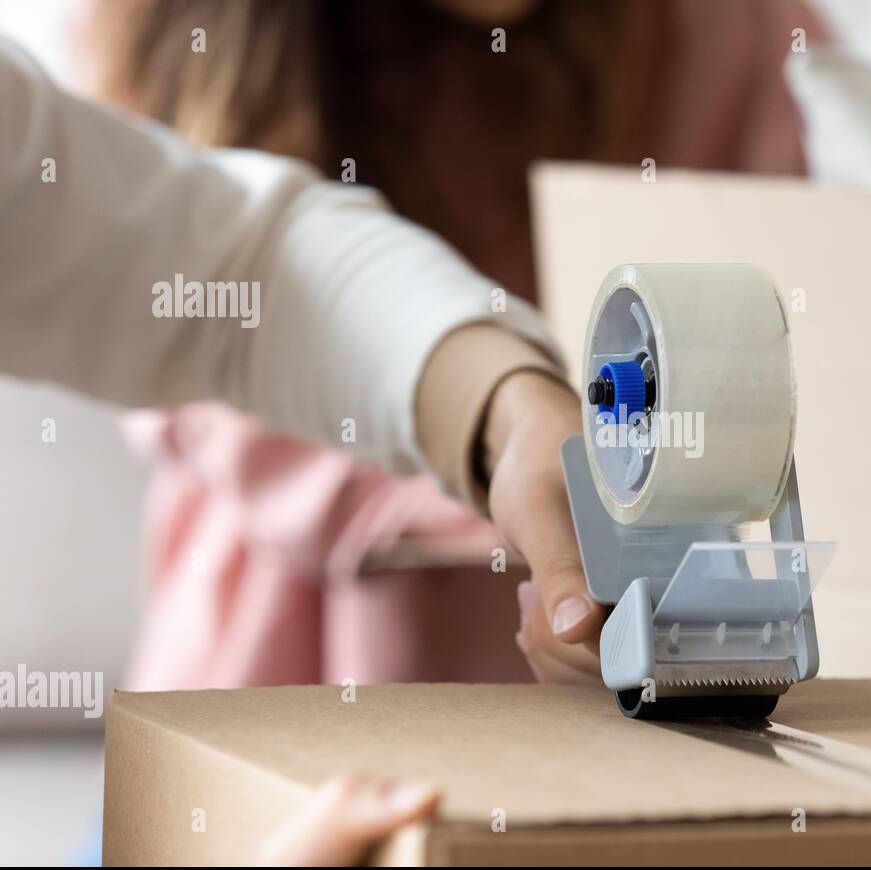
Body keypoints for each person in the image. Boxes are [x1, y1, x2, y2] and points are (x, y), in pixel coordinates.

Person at [83, 0, 824, 692]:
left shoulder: (734, 36)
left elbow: (807, 316)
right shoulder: (200, 63)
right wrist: (518, 466)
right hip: (280, 664)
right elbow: (200, 310)